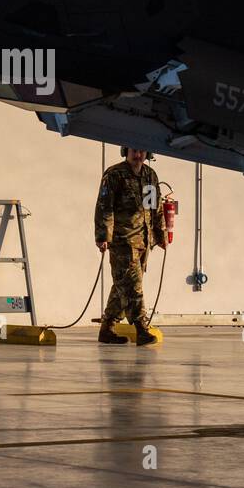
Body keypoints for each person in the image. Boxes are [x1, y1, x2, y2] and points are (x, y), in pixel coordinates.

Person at [94, 147, 166, 346]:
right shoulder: (114, 174)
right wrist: (103, 236)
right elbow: (104, 206)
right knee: (133, 286)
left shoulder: (150, 176)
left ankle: (107, 327)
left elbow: (155, 207)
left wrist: (160, 234)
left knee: (122, 286)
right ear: (126, 151)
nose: (138, 154)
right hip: (122, 240)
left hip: (144, 240)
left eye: (142, 151)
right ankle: (141, 328)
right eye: (134, 150)